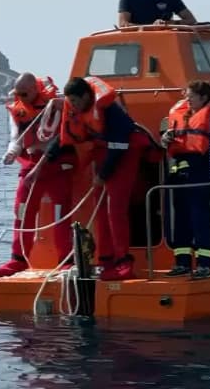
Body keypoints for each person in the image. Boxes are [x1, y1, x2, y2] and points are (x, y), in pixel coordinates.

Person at [37, 76, 152, 281]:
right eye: (70, 101)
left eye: (76, 100)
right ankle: (106, 259)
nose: (73, 105)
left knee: (115, 208)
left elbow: (119, 146)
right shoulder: (76, 111)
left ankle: (123, 261)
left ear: (87, 96)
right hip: (104, 153)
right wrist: (43, 162)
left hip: (124, 154)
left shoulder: (110, 111)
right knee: (101, 211)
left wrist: (103, 175)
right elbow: (63, 138)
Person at [0, 72, 76, 277]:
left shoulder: (56, 105)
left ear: (34, 90)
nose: (20, 97)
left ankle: (66, 259)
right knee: (22, 212)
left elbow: (62, 132)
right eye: (18, 93)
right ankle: (18, 259)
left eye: (24, 93)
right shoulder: (17, 109)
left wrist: (63, 106)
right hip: (30, 164)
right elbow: (16, 137)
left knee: (60, 214)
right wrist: (11, 153)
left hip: (56, 165)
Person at [160, 80, 210, 279]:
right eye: (186, 97)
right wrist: (167, 139)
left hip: (200, 174)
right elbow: (168, 146)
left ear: (203, 98)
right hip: (179, 174)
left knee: (200, 218)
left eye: (191, 97)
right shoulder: (180, 117)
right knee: (180, 218)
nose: (187, 100)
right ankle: (182, 262)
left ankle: (204, 264)